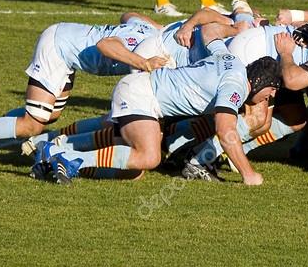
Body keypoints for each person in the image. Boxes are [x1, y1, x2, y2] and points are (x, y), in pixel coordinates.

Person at [0, 19, 165, 169]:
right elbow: (106, 45)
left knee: (48, 116)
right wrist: (143, 62)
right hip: (58, 49)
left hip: (65, 48)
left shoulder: (154, 31)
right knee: (32, 125)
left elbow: (129, 15)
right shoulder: (143, 43)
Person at [34, 54, 281, 184]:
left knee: (132, 169)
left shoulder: (232, 61)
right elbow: (226, 131)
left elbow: (211, 37)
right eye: (271, 90)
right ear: (260, 81)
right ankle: (68, 160)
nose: (269, 98)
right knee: (149, 156)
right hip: (143, 95)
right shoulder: (236, 86)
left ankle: (54, 149)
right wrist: (249, 174)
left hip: (142, 90)